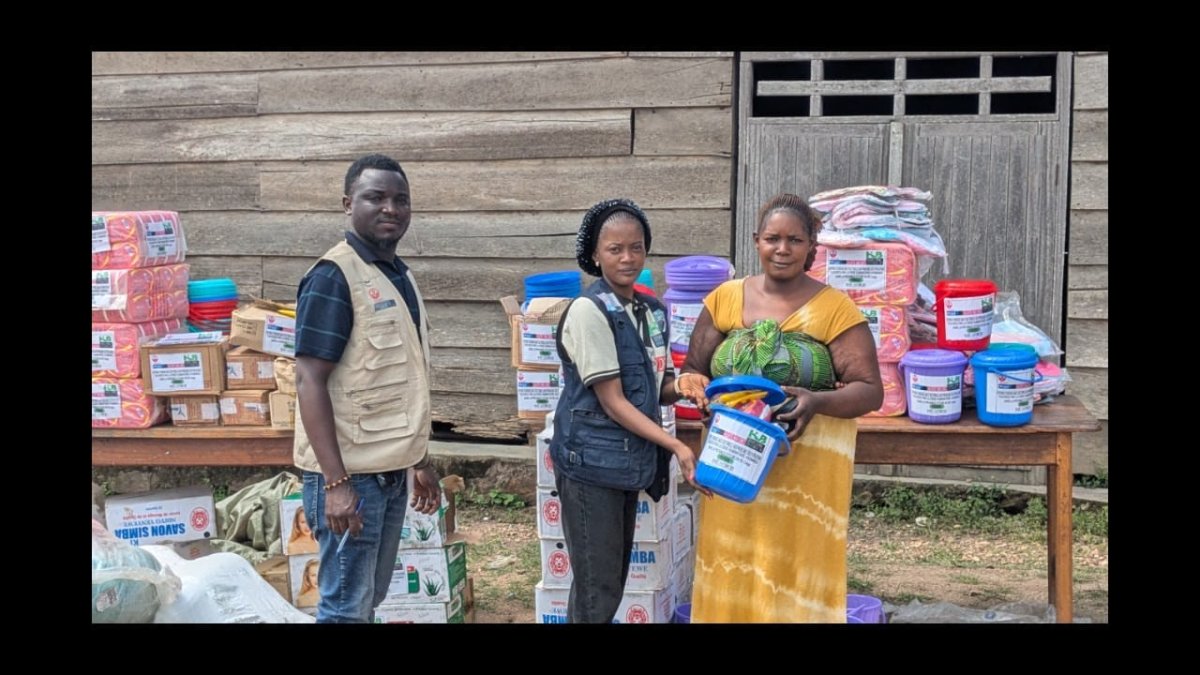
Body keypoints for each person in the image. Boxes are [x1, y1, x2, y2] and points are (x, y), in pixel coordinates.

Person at [678, 193, 884, 623]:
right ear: (756, 242)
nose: (782, 249)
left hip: (805, 471)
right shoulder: (724, 300)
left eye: (795, 239)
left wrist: (815, 400)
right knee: (732, 561)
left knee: (797, 565)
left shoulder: (834, 309)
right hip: (733, 460)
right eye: (773, 238)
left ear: (813, 246)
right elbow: (694, 370)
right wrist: (701, 394)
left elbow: (869, 391)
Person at [293, 153, 442, 623]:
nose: (390, 208)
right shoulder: (333, 278)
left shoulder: (397, 275)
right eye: (375, 197)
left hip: (389, 472)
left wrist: (418, 461)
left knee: (368, 598)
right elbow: (308, 379)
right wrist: (337, 484)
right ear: (347, 203)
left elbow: (396, 380)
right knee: (345, 607)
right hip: (350, 479)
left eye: (401, 200)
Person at [549, 198, 708, 623]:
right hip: (590, 464)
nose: (627, 258)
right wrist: (677, 445)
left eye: (635, 248)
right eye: (614, 249)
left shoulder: (650, 310)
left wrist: (685, 386)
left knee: (607, 584)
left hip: (623, 462)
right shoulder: (588, 310)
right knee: (597, 590)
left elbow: (656, 387)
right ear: (595, 255)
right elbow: (613, 401)